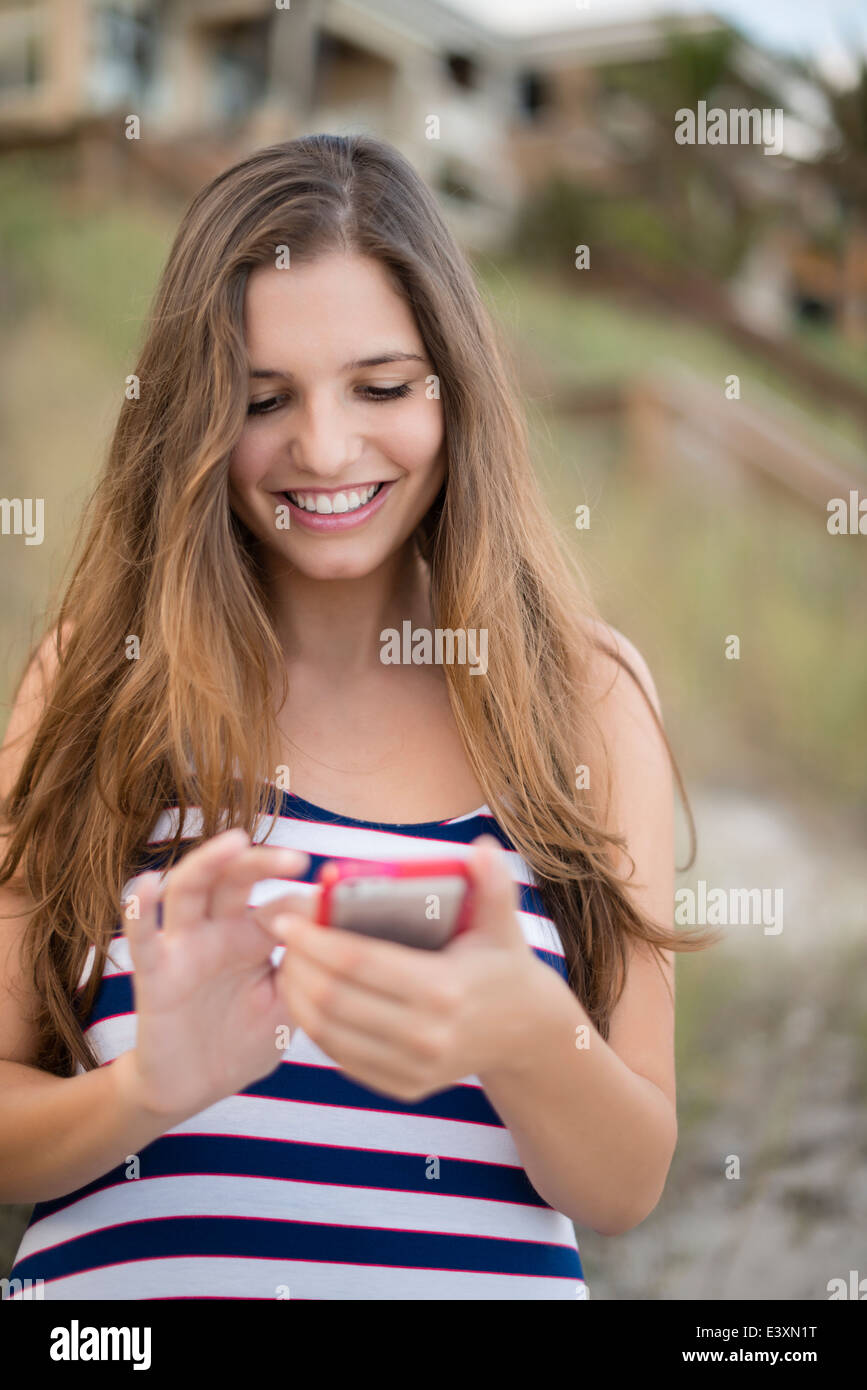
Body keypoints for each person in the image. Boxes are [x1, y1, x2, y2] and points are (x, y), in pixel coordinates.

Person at [0, 134, 709, 1300]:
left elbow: (626, 1183)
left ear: (456, 385)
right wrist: (145, 1090)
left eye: (381, 388)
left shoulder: (582, 696)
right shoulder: (96, 679)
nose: (324, 450)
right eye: (261, 400)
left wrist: (527, 1029)